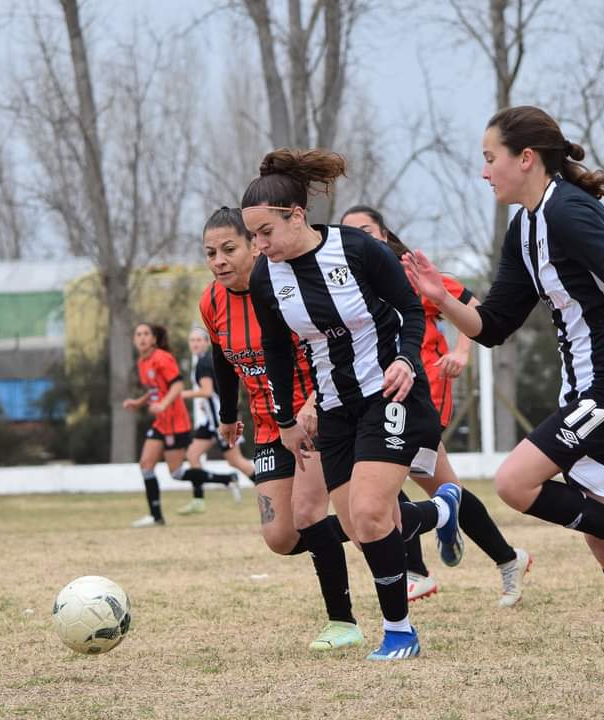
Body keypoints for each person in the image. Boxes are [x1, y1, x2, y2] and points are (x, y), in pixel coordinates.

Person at [403, 106, 604, 695]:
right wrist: (439, 299)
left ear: (524, 158)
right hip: (584, 387)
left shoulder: (567, 210)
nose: (484, 173)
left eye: (489, 158)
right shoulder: (524, 227)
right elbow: (495, 323)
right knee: (603, 545)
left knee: (514, 482)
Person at [243, 151, 465, 661]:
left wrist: (408, 360)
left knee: (368, 514)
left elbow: (411, 308)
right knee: (366, 530)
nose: (260, 245)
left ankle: (400, 632)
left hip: (392, 392)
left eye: (265, 233)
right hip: (335, 408)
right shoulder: (265, 278)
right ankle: (444, 507)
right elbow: (276, 349)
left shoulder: (358, 249)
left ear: (296, 216)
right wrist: (284, 419)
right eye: (253, 235)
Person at [340, 204, 532, 608]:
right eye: (349, 232)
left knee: (414, 488)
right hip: (369, 403)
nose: (359, 239)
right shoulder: (344, 286)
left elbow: (471, 307)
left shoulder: (408, 274)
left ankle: (431, 564)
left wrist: (462, 352)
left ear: (385, 236)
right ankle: (488, 557)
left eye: (367, 231)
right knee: (431, 489)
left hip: (418, 398)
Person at [175, 327, 253, 515]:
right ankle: (198, 500)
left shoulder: (203, 363)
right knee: (193, 455)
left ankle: (268, 489)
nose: (195, 343)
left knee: (236, 461)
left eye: (199, 340)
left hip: (220, 421)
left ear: (206, 342)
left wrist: (180, 394)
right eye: (192, 340)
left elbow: (207, 391)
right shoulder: (205, 361)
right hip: (210, 422)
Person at [122, 322, 193, 528]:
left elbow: (178, 384)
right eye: (138, 334)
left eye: (146, 334)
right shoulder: (142, 362)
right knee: (146, 465)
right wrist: (138, 402)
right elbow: (155, 389)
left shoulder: (162, 358)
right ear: (134, 340)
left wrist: (162, 404)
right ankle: (156, 516)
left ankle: (225, 479)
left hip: (175, 420)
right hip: (161, 422)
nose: (142, 338)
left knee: (177, 473)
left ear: (154, 339)